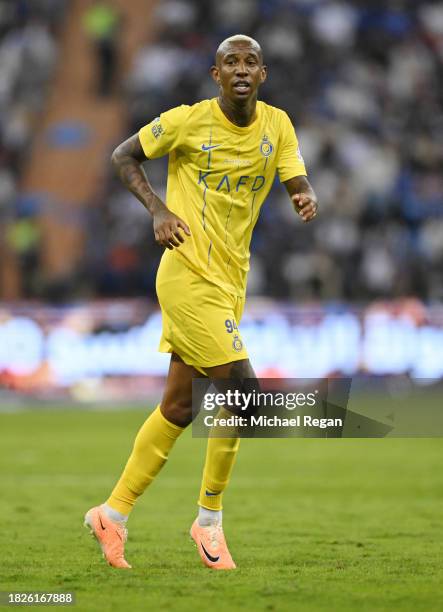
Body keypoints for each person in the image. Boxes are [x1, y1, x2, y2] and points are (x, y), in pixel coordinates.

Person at [84, 34, 318, 571]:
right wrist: (157, 210)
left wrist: (304, 194)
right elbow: (124, 155)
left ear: (264, 74)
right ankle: (208, 521)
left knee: (179, 407)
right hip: (188, 275)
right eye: (230, 62)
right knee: (245, 391)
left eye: (250, 62)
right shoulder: (188, 120)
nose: (240, 69)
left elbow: (294, 174)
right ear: (216, 75)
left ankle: (112, 515)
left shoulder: (277, 125)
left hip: (230, 282)